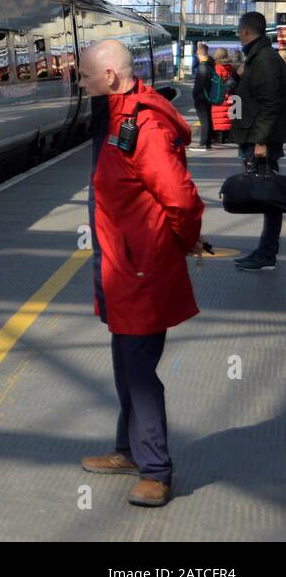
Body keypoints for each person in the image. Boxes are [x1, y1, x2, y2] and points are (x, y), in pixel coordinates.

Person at [78, 39, 204, 508]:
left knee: (140, 372)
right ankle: (128, 450)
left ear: (110, 77)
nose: (81, 84)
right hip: (121, 265)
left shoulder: (143, 124)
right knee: (125, 366)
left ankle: (156, 470)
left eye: (86, 77)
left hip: (140, 268)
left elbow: (181, 198)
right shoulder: (117, 117)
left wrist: (184, 240)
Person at [229, 12, 286, 272]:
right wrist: (241, 76)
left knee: (269, 194)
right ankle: (266, 251)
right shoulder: (258, 58)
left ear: (245, 31)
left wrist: (261, 141)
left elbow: (270, 103)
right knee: (267, 193)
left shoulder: (264, 59)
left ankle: (266, 254)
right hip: (252, 134)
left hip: (258, 138)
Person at [209, 48, 238, 145]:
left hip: (220, 96)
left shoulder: (217, 67)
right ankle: (227, 137)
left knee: (219, 117)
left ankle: (219, 138)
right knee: (226, 117)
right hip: (229, 95)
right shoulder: (230, 67)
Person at [191, 42, 213, 150]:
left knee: (204, 121)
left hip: (201, 97)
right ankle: (207, 142)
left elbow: (200, 84)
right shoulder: (210, 64)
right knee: (207, 119)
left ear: (199, 53)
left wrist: (195, 94)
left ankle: (203, 144)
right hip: (207, 96)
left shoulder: (203, 66)